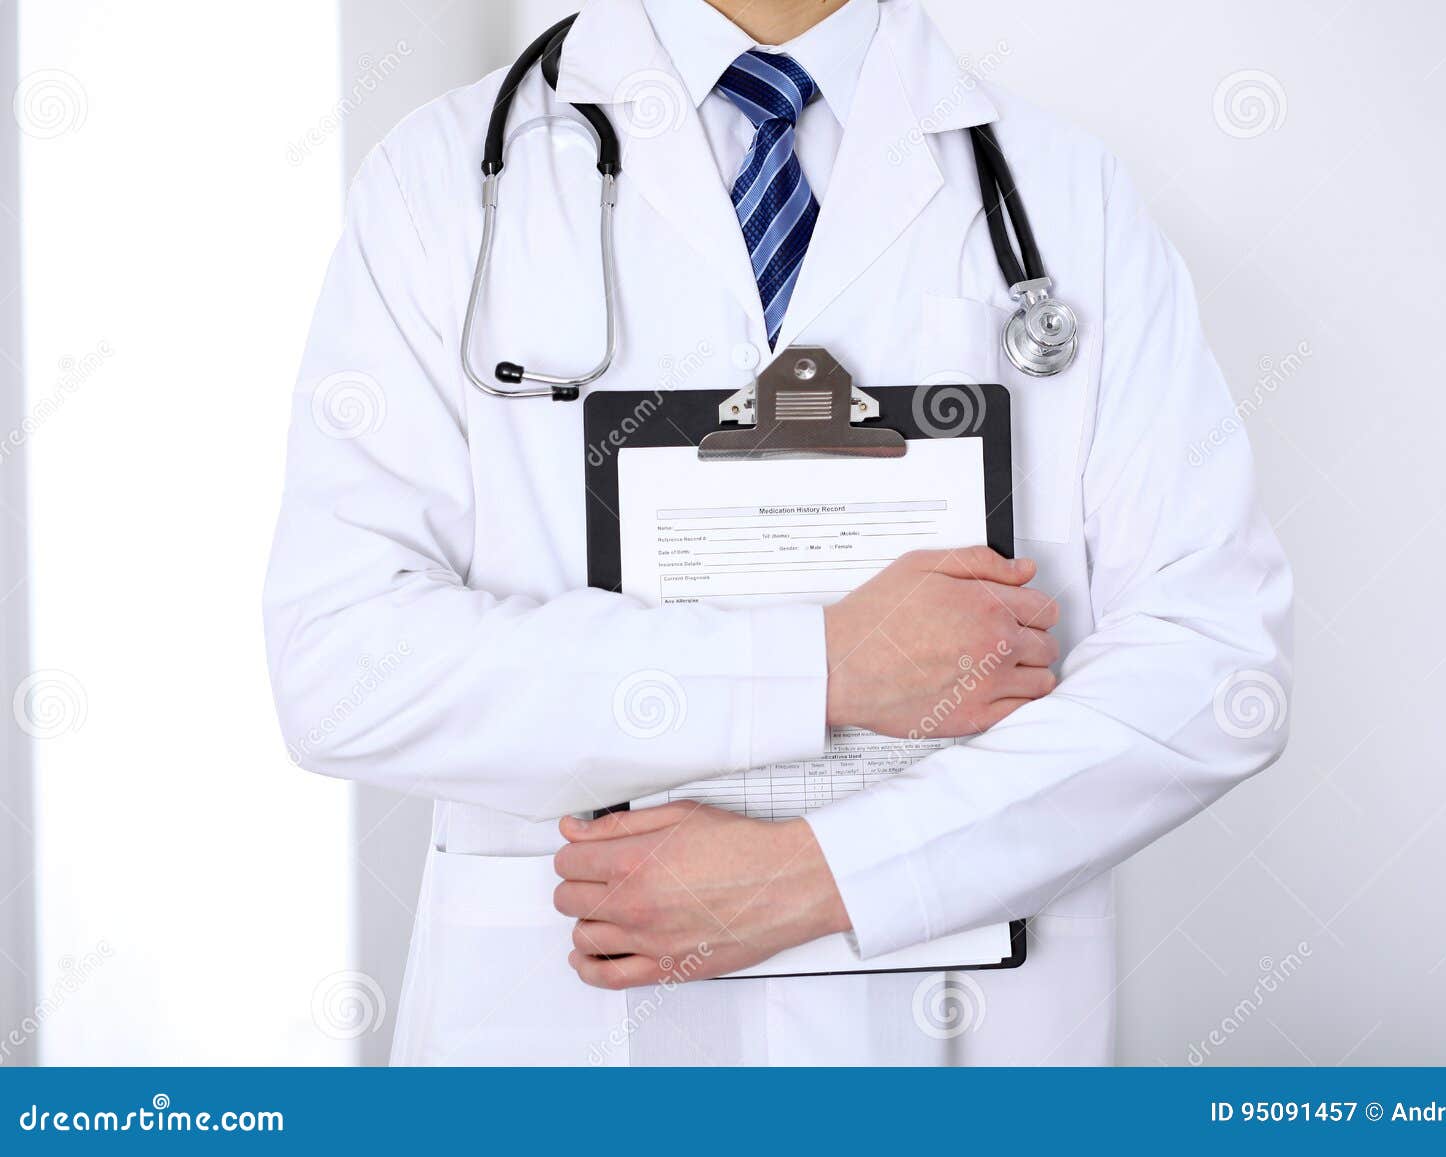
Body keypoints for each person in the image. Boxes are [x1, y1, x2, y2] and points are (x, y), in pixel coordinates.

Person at [263, 0, 1293, 1065]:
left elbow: (1212, 662)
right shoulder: (439, 186)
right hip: (568, 1041)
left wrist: (828, 872)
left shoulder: (1069, 198)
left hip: (953, 1031)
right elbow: (345, 666)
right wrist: (824, 664)